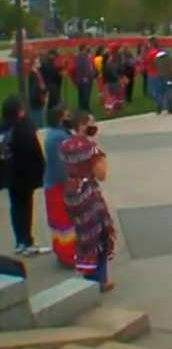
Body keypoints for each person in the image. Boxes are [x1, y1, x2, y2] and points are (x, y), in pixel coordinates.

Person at [59, 112, 115, 292]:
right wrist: (102, 157)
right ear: (82, 126)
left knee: (83, 234)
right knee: (100, 235)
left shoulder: (65, 145)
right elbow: (101, 174)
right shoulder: (90, 148)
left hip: (70, 193)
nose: (94, 126)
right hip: (87, 194)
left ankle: (86, 273)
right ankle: (99, 278)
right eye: (91, 122)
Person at [1, 95, 49, 256]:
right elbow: (33, 150)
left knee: (16, 207)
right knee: (25, 207)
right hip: (24, 174)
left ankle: (20, 241)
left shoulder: (3, 128)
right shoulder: (23, 128)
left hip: (9, 174)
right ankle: (26, 241)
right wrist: (41, 170)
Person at [42, 105, 76, 267]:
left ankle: (63, 252)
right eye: (67, 115)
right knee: (64, 222)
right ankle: (67, 256)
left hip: (54, 184)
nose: (70, 117)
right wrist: (68, 182)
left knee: (59, 223)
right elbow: (60, 165)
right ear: (60, 119)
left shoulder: (56, 134)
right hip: (58, 186)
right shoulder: (59, 138)